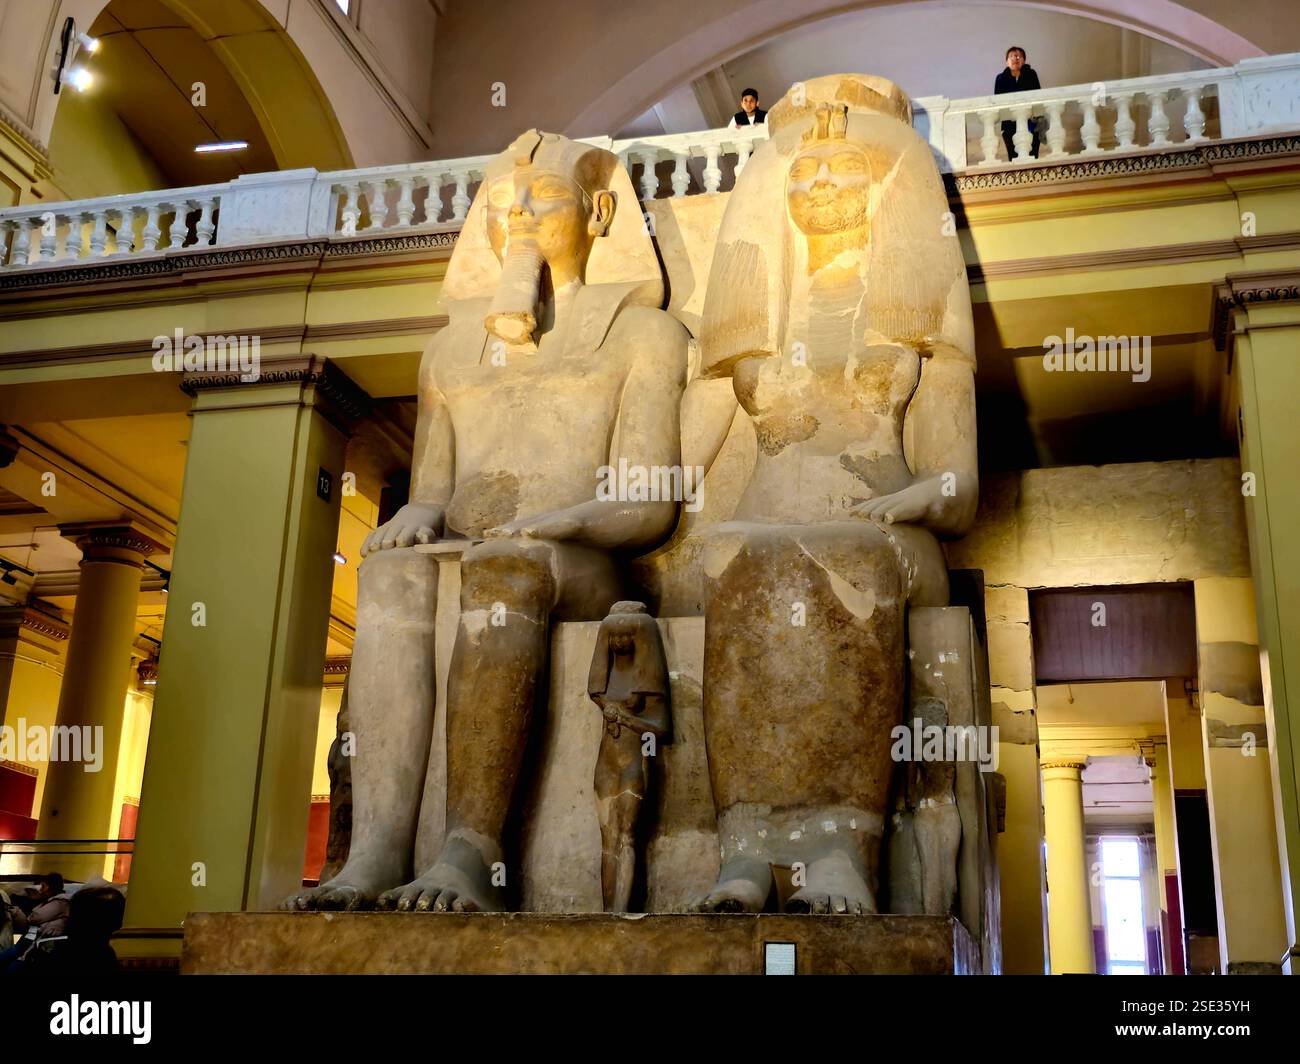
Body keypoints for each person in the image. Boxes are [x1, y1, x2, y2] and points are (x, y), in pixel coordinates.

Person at [994, 46, 1041, 160]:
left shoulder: (1030, 74)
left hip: (1031, 123)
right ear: (1007, 62)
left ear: (1024, 60)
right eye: (1011, 56)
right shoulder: (1001, 78)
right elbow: (998, 100)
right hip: (1009, 124)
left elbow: (1038, 95)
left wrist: (1024, 73)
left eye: (1019, 56)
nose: (1015, 58)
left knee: (1033, 155)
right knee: (1014, 157)